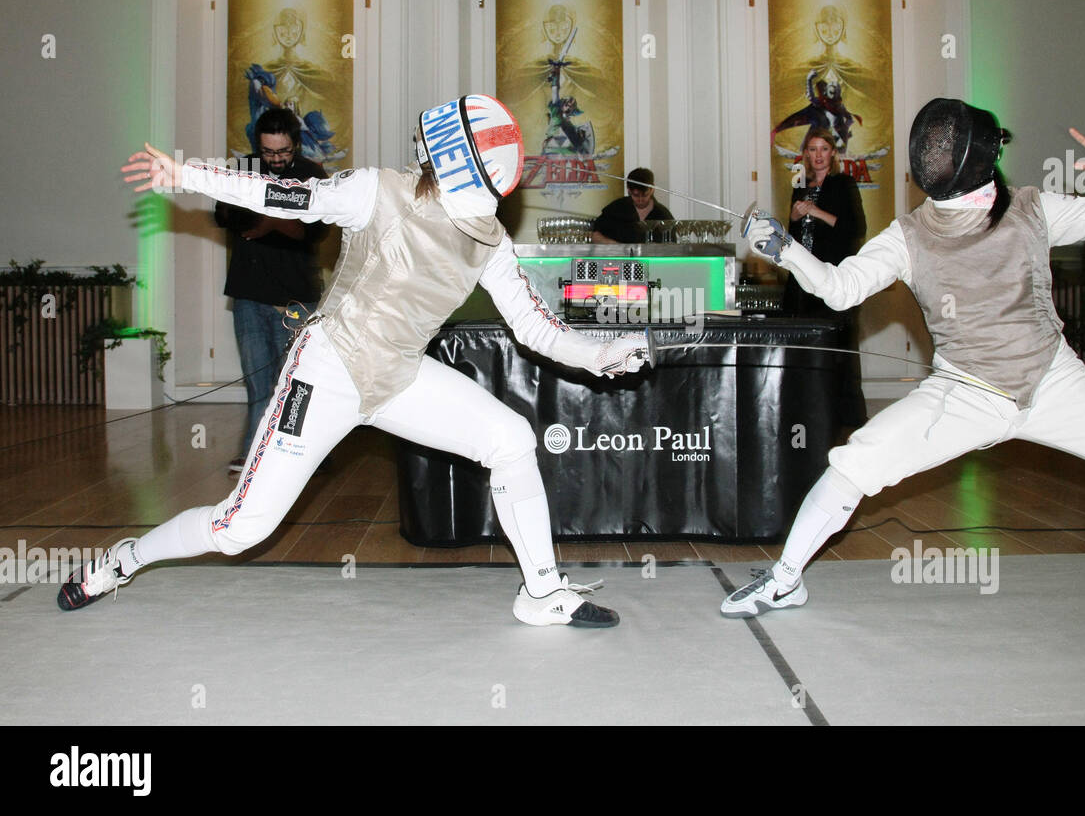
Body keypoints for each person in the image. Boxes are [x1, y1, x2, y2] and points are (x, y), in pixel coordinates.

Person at [64, 95, 651, 628]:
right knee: (240, 529)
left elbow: (534, 327)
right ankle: (124, 559)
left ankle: (542, 594)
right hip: (327, 370)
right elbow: (288, 197)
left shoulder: (491, 242)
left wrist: (602, 355)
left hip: (399, 377)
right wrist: (187, 174)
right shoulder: (379, 190)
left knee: (511, 439)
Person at [724, 97, 1085, 618]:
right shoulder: (910, 235)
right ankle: (785, 578)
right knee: (855, 463)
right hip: (963, 393)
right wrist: (787, 249)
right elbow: (842, 288)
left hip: (1056, 383)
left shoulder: (1032, 209)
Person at [215, 107, 330, 476]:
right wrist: (274, 221)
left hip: (298, 295)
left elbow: (316, 230)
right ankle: (252, 452)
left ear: (295, 144)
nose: (277, 160)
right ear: (258, 147)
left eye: (283, 152)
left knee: (296, 382)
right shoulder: (245, 169)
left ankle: (301, 455)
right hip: (249, 292)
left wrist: (270, 222)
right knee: (258, 382)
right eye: (268, 153)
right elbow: (226, 218)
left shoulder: (311, 174)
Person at [783, 127, 867, 427]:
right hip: (801, 279)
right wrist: (793, 218)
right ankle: (806, 412)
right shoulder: (799, 184)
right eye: (812, 149)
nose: (817, 155)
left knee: (838, 350)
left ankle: (845, 421)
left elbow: (854, 229)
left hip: (833, 277)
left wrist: (815, 212)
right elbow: (793, 236)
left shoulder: (843, 184)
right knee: (801, 347)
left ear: (833, 153)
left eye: (823, 149)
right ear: (806, 154)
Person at [592, 167, 674, 243]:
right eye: (636, 195)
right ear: (628, 190)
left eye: (645, 195)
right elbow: (595, 235)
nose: (640, 199)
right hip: (619, 257)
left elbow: (672, 243)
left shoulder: (662, 214)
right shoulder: (615, 209)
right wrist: (615, 246)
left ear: (652, 189)